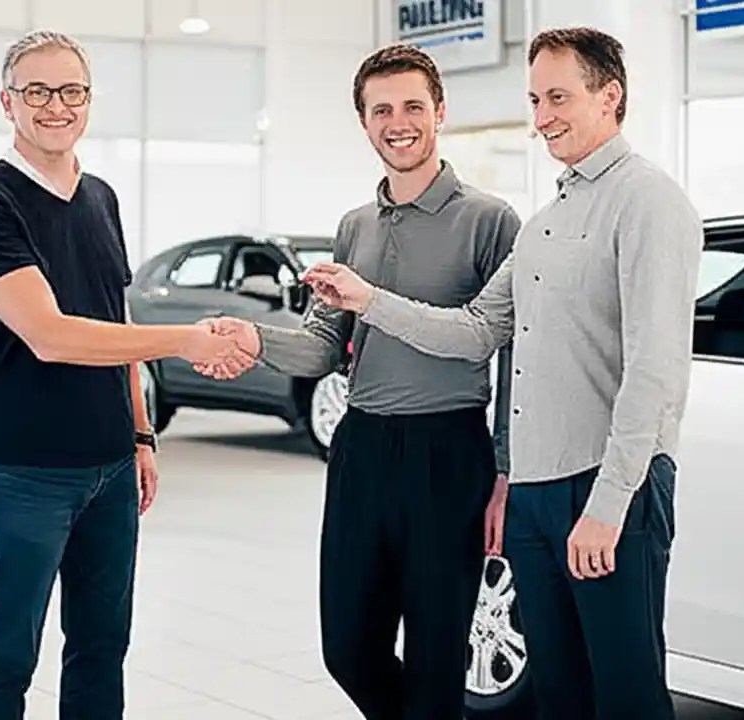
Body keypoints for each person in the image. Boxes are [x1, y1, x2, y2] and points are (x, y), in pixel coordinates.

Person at [302, 27, 703, 720]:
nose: (542, 115)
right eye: (535, 99)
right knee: (559, 697)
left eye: (558, 97)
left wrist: (605, 508)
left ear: (611, 96)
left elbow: (655, 370)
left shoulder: (649, 202)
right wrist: (365, 300)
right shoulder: (547, 221)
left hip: (602, 484)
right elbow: (477, 330)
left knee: (628, 697)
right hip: (538, 496)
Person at [198, 44, 519, 719]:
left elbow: (510, 353)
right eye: (381, 110)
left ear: (440, 113)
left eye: (411, 106)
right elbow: (321, 347)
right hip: (363, 449)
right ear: (364, 122)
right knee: (347, 648)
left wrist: (504, 471)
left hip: (448, 452)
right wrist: (253, 339)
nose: (397, 122)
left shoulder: (489, 221)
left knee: (436, 660)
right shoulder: (354, 227)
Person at [0, 30, 254, 720]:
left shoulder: (102, 197)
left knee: (100, 647)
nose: (57, 105)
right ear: (8, 102)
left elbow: (113, 316)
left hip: (111, 469)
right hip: (23, 472)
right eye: (38, 91)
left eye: (72, 91)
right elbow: (51, 336)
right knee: (5, 654)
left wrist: (141, 437)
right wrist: (191, 339)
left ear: (89, 100)